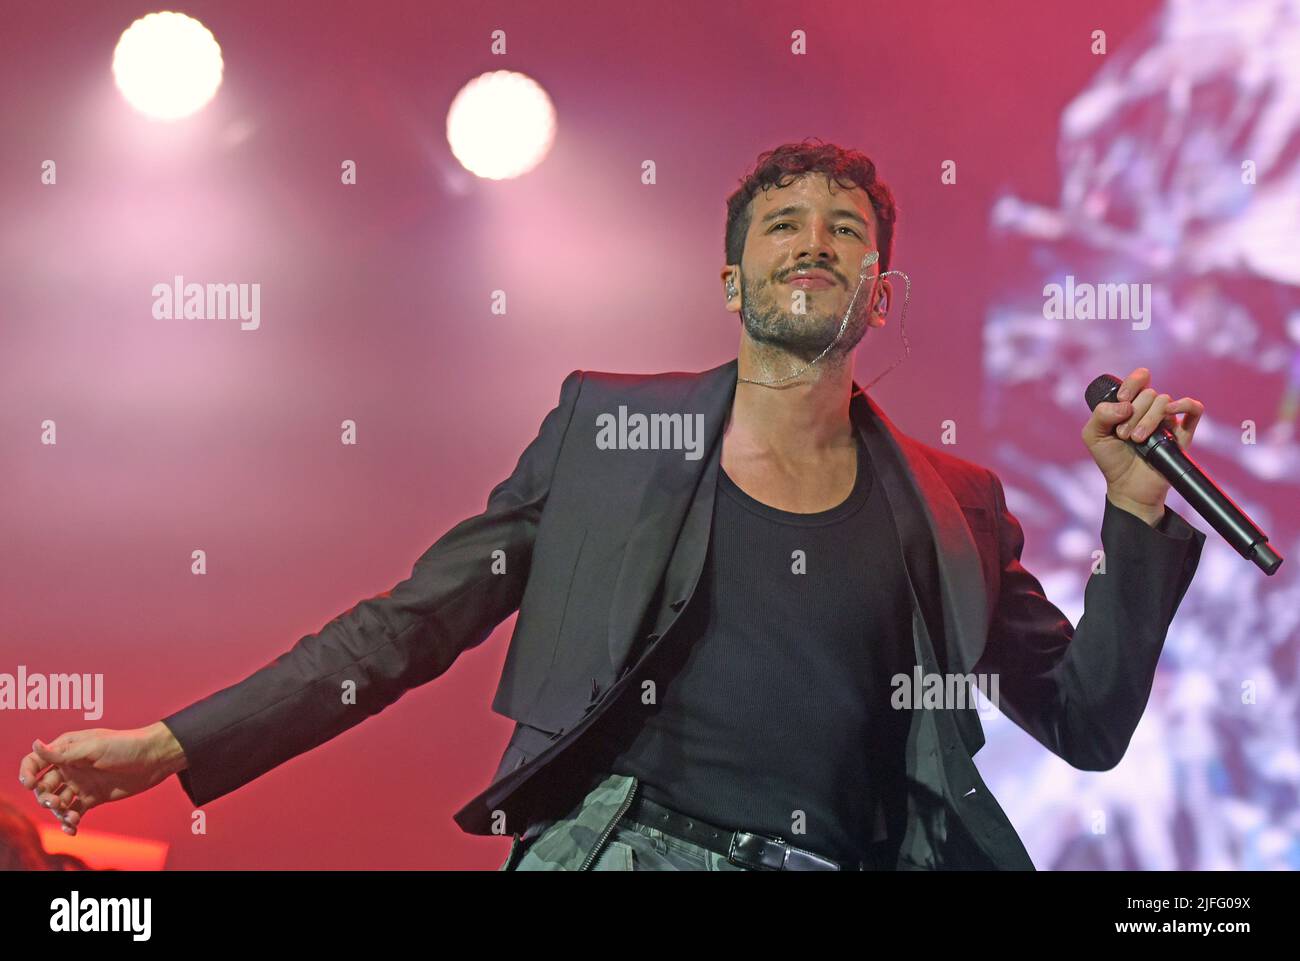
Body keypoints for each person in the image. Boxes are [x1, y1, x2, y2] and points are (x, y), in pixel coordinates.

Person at [18, 139, 1208, 870]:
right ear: (730, 278)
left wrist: (1136, 515)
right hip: (623, 851)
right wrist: (172, 745)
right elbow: (405, 628)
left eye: (845, 233)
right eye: (783, 226)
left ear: (879, 292)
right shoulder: (604, 433)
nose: (815, 244)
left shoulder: (956, 505)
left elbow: (1086, 723)